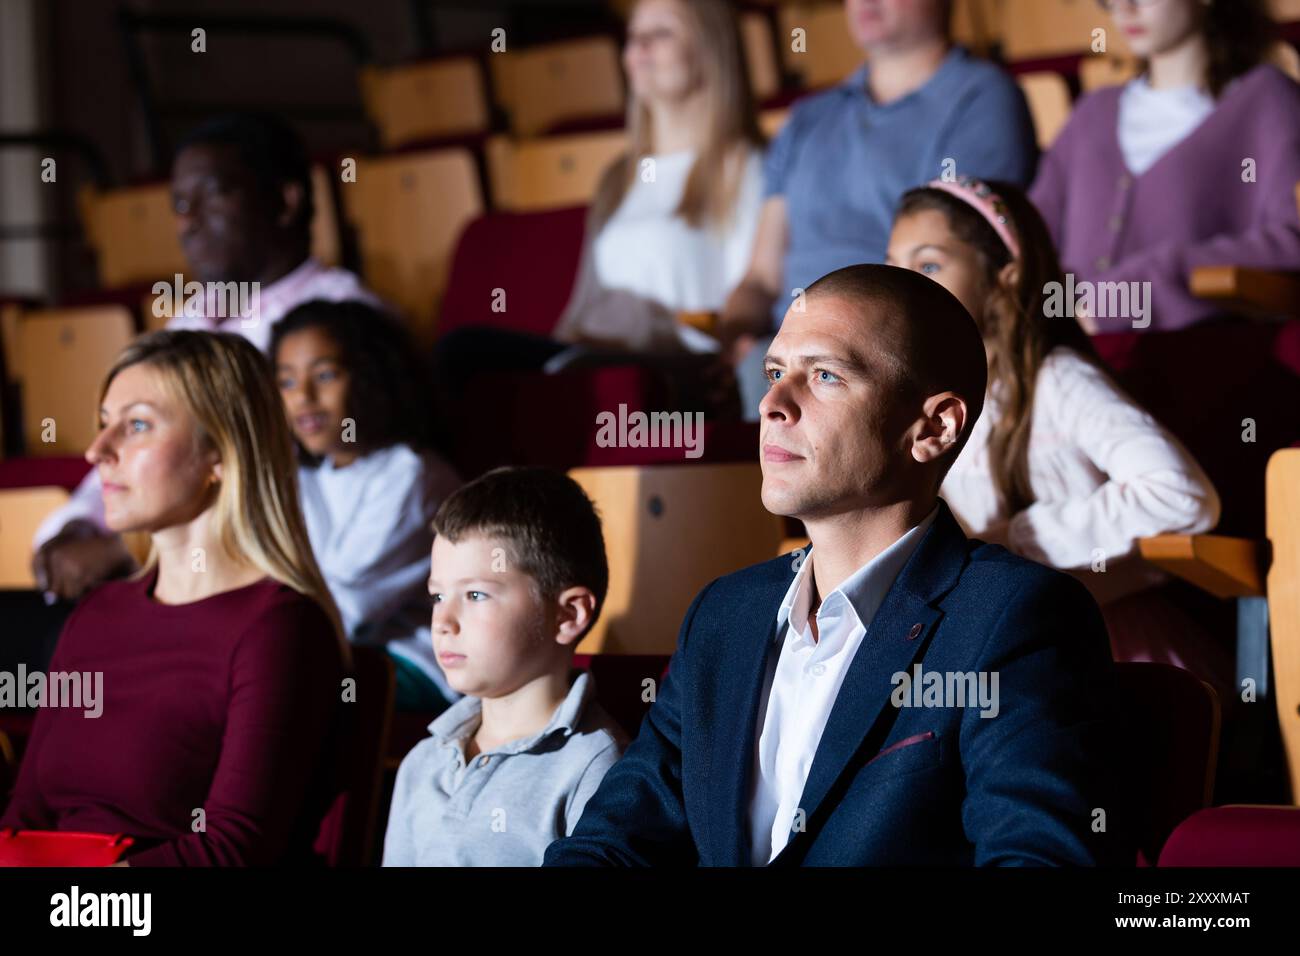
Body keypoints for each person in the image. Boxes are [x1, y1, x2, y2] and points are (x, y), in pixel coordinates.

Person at [544, 264, 1126, 866]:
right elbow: (611, 845)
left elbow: (1036, 861)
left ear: (933, 427)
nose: (772, 403)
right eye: (774, 373)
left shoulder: (1014, 618)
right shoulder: (723, 613)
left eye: (824, 375)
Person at [2, 331, 346, 866]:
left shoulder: (280, 627)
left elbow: (234, 851)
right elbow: (25, 817)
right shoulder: (97, 613)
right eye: (103, 422)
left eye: (136, 425)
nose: (98, 450)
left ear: (219, 452)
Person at [888, 176, 1232, 693]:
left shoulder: (1059, 380)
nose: (906, 286)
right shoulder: (923, 405)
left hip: (1107, 648)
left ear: (1006, 276)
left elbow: (1182, 496)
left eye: (929, 265)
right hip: (1002, 652)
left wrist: (1017, 540)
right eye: (894, 268)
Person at [30, 111, 382, 607]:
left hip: (271, 591)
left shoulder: (345, 318)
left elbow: (293, 486)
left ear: (284, 202)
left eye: (214, 195)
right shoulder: (191, 319)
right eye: (179, 203)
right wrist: (74, 527)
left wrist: (121, 547)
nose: (188, 220)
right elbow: (131, 432)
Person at [431, 0, 765, 417]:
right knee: (464, 357)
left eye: (661, 34)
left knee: (465, 351)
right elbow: (581, 306)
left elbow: (748, 303)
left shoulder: (746, 166)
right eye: (632, 37)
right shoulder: (617, 178)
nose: (639, 48)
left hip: (678, 361)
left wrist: (663, 320)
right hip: (597, 350)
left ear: (711, 50)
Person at [717, 0, 1038, 418]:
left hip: (882, 367)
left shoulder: (983, 99)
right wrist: (733, 337)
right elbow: (761, 277)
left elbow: (955, 276)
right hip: (778, 360)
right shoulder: (806, 118)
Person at [382, 467, 628, 866]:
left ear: (567, 615)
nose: (443, 622)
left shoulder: (595, 768)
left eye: (475, 594)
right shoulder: (422, 761)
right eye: (437, 597)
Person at [1031, 0, 1300, 332]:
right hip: (1072, 364)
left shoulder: (1268, 99)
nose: (1123, 8)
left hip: (1199, 361)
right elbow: (1028, 238)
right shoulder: (1091, 114)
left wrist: (1151, 281)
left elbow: (1291, 241)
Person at [271, 300, 462, 713]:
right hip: (324, 649)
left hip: (411, 663)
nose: (303, 397)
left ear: (371, 378)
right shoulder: (303, 477)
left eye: (324, 375)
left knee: (274, 689)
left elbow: (350, 608)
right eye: (286, 382)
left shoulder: (411, 475)